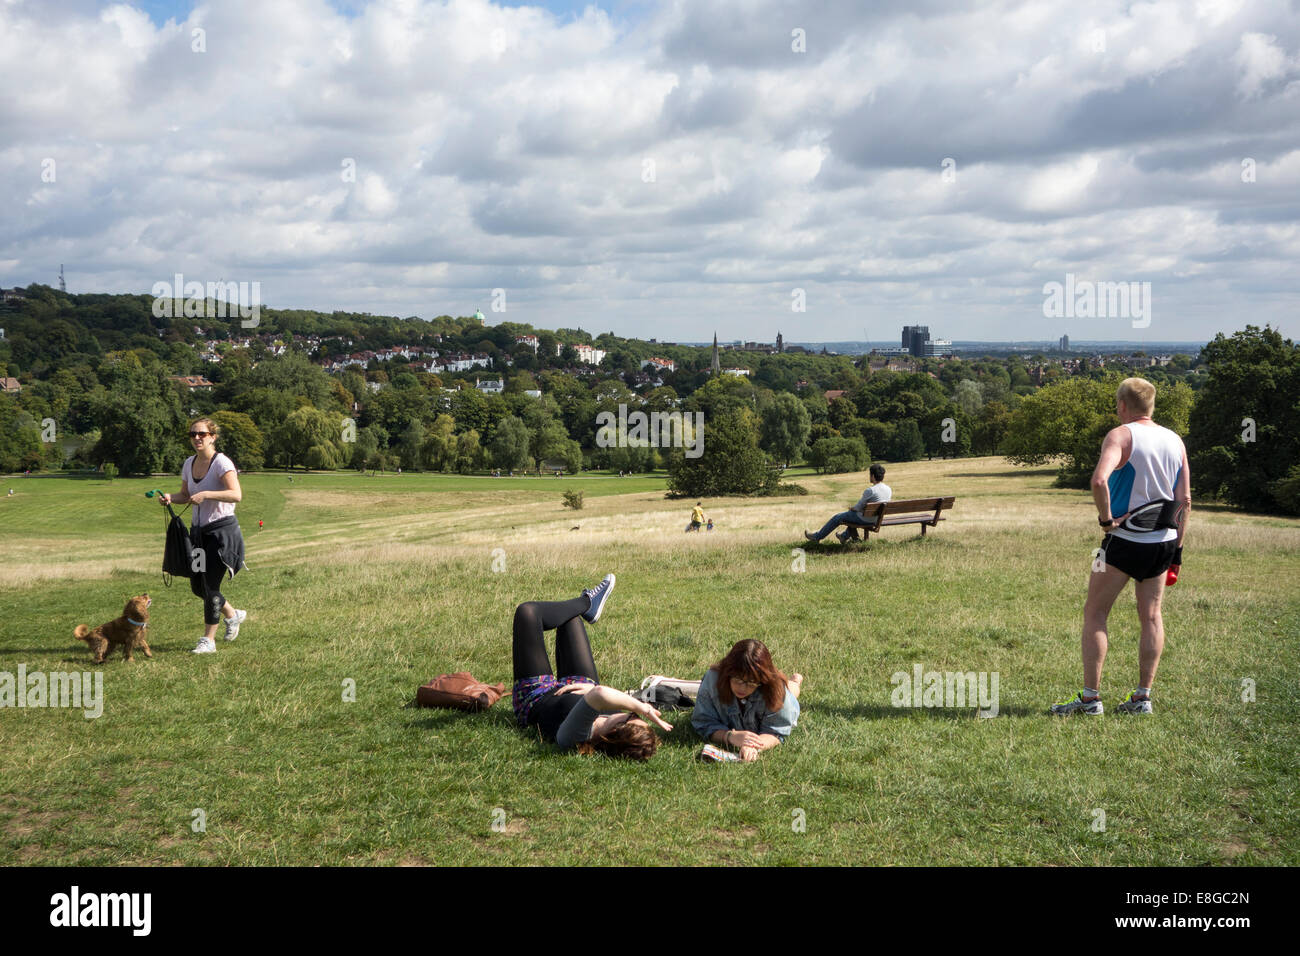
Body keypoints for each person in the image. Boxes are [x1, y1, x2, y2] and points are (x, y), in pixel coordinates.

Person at [1052, 378, 1190, 716]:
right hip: (1163, 542)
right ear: (1152, 406)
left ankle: (1089, 700)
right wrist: (1177, 552)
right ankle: (1142, 699)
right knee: (1152, 616)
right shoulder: (1175, 441)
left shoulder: (1120, 435)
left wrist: (1106, 520)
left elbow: (1099, 480)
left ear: (1123, 405)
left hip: (1122, 542)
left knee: (1095, 613)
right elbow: (1184, 499)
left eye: (1117, 404)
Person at [511, 574, 671, 759]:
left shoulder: (575, 736)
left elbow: (600, 694)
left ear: (615, 730)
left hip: (537, 696)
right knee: (570, 618)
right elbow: (599, 694)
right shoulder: (611, 717)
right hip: (583, 684)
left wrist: (642, 707)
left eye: (632, 717)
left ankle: (586, 603)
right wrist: (592, 688)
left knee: (527, 612)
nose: (633, 712)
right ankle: (587, 607)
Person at [159, 418, 248, 654]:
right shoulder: (189, 463)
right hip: (198, 536)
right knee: (198, 586)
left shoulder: (221, 463)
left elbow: (236, 494)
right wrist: (170, 497)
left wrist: (207, 494)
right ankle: (232, 614)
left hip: (221, 535)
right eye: (192, 434)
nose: (196, 438)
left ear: (212, 436)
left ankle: (209, 640)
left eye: (202, 434)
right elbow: (185, 495)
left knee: (210, 585)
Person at [692, 639, 803, 761]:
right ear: (727, 673)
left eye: (751, 682)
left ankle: (795, 682)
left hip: (787, 696)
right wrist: (729, 736)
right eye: (737, 680)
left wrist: (753, 745)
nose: (742, 688)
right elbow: (703, 722)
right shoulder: (713, 679)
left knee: (791, 693)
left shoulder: (775, 690)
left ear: (762, 680)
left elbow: (776, 731)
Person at [804, 464, 891, 544]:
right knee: (849, 517)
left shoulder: (870, 490)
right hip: (877, 519)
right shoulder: (888, 489)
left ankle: (817, 537)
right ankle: (844, 537)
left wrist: (852, 508)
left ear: (872, 475)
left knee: (837, 517)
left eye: (870, 475)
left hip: (865, 519)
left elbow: (858, 507)